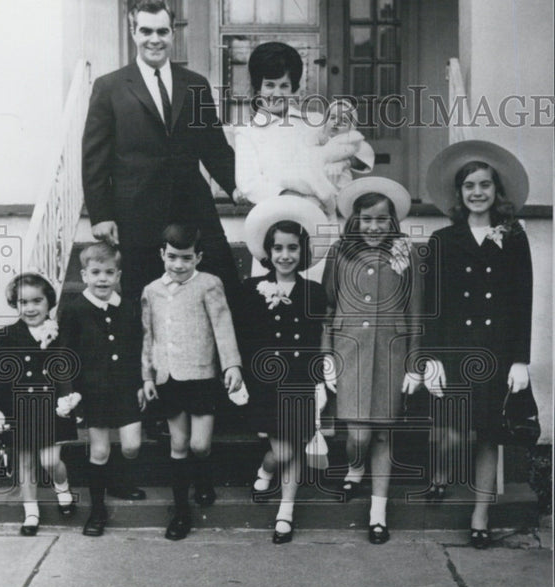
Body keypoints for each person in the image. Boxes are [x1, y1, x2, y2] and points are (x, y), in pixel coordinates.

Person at [82, 0, 240, 306]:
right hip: (136, 212)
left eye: (162, 32)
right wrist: (101, 214)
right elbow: (94, 157)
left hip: (193, 206)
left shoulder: (195, 84)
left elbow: (214, 146)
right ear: (133, 33)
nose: (155, 40)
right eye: (146, 31)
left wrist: (239, 188)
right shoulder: (109, 87)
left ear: (173, 33)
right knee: (143, 297)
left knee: (223, 287)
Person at [424, 141, 533, 549]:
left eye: (485, 184)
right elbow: (432, 305)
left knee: (488, 433)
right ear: (459, 193)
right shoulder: (443, 240)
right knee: (449, 430)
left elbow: (524, 298)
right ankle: (439, 475)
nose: (477, 192)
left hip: (496, 349)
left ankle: (480, 516)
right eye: (469, 185)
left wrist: (521, 359)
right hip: (454, 347)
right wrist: (429, 357)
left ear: (496, 190)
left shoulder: (513, 236)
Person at [322, 178, 423, 544]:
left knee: (381, 433)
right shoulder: (340, 252)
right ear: (355, 220)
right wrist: (327, 357)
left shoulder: (406, 252)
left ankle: (377, 514)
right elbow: (329, 308)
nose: (374, 227)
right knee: (358, 436)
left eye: (382, 220)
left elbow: (415, 313)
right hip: (350, 352)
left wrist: (413, 362)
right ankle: (355, 464)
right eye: (367, 219)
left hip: (390, 355)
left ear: (392, 221)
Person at [141, 223, 243, 541]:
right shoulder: (151, 291)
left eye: (186, 258)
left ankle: (203, 478)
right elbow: (148, 336)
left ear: (197, 257)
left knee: (200, 445)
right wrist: (146, 375)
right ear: (162, 254)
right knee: (179, 444)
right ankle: (181, 512)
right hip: (168, 376)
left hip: (201, 376)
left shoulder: (209, 285)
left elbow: (222, 326)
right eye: (172, 257)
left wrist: (232, 365)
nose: (178, 264)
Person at [240, 196, 328, 544]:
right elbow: (246, 337)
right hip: (266, 382)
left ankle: (285, 511)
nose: (285, 255)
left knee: (295, 444)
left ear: (302, 251)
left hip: (300, 380)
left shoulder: (315, 292)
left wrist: (321, 377)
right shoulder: (252, 290)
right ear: (268, 251)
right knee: (284, 451)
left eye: (293, 248)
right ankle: (266, 467)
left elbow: (320, 336)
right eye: (278, 248)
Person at [58, 243, 146, 537]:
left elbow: (136, 349)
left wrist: (141, 384)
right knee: (100, 449)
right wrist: (71, 392)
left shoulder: (127, 306)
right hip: (93, 393)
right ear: (84, 275)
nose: (103, 278)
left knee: (132, 445)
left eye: (109, 272)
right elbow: (66, 355)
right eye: (96, 272)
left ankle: (119, 481)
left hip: (125, 389)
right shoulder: (74, 309)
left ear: (118, 274)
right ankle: (97, 510)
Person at [234, 42, 373, 217]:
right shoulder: (248, 133)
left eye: (284, 86)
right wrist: (295, 198)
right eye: (269, 85)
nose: (276, 93)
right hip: (279, 215)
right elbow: (249, 183)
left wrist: (344, 161)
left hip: (327, 212)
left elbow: (355, 151)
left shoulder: (315, 121)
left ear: (293, 88)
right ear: (257, 88)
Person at [0, 274, 78, 536]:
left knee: (50, 460)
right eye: (22, 302)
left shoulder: (58, 332)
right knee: (25, 462)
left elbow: (65, 369)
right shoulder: (6, 335)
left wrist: (69, 397)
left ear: (49, 301)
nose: (29, 308)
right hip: (19, 407)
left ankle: (62, 487)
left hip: (52, 406)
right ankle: (31, 512)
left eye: (37, 301)